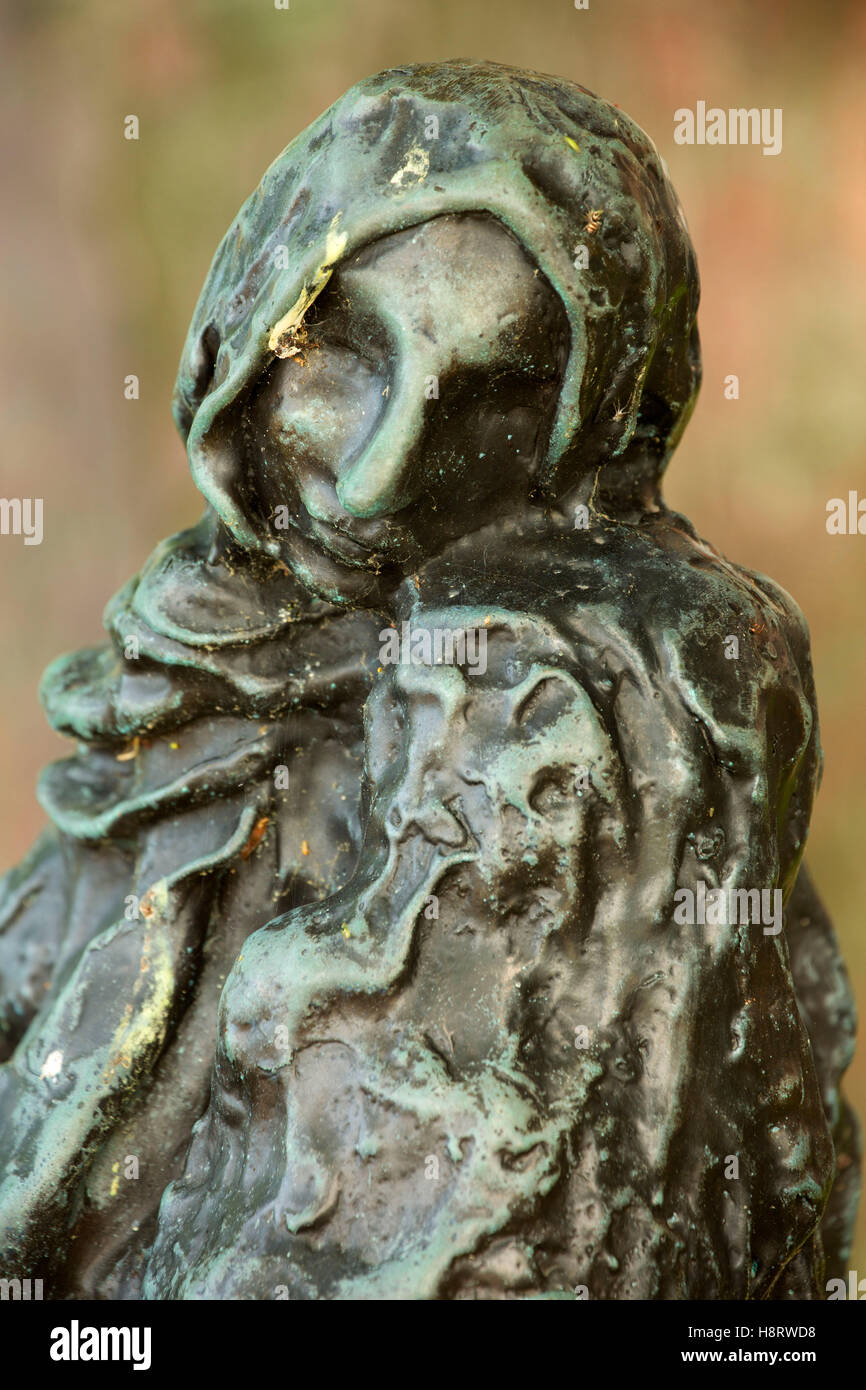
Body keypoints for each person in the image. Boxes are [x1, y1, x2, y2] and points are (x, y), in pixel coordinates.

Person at [0, 60, 856, 1299]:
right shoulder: (175, 676)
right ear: (248, 339)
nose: (376, 471)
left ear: (586, 444)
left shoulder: (569, 702)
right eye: (347, 356)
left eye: (483, 401)